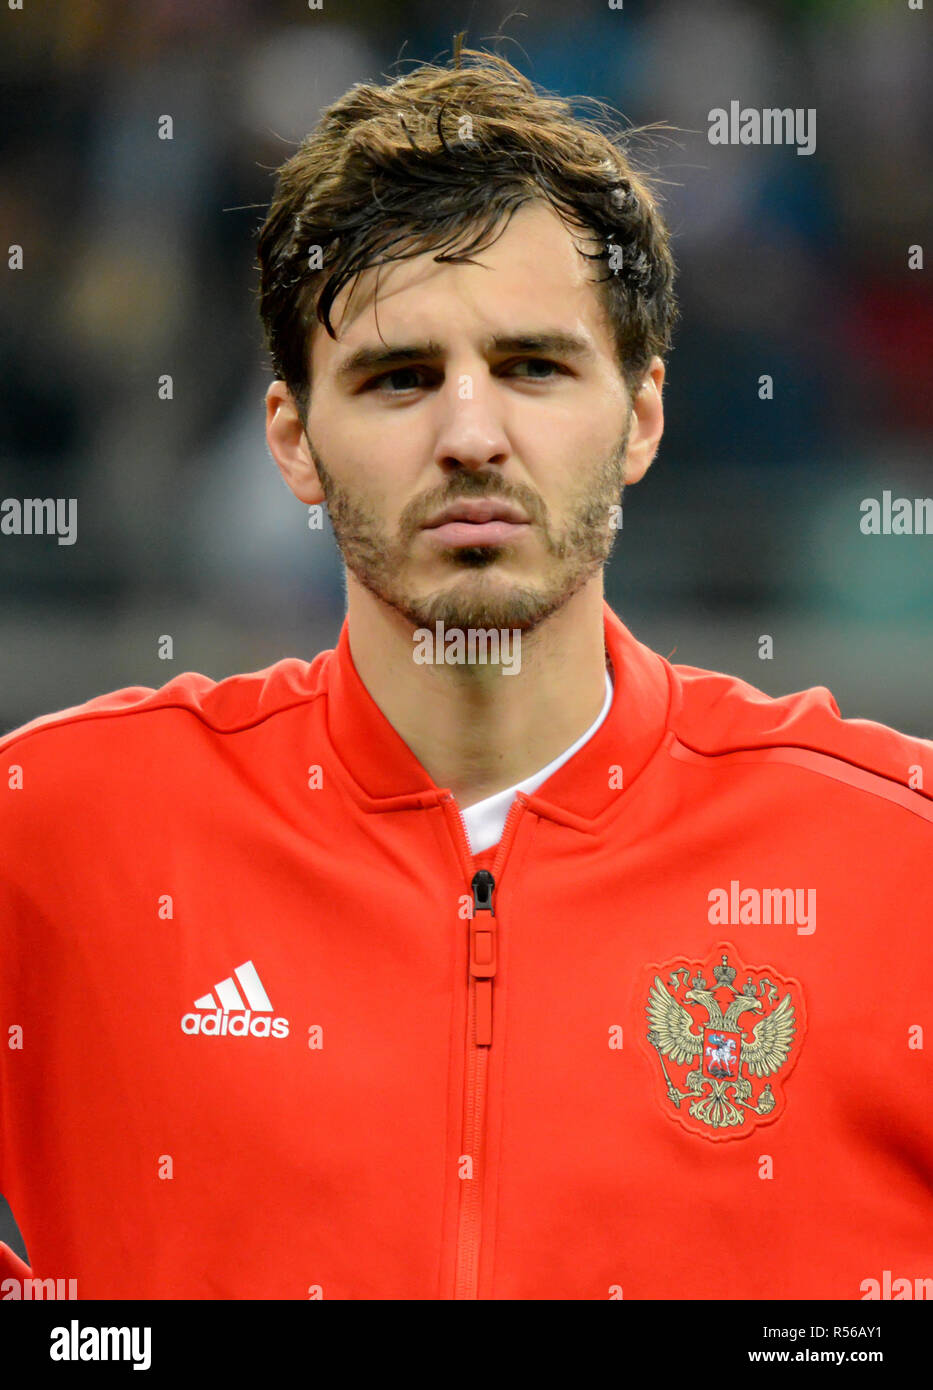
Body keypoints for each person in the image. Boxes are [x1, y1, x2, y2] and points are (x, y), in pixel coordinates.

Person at [1, 46, 930, 1302]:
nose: (472, 435)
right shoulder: (58, 828)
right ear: (294, 441)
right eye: (399, 379)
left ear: (643, 415)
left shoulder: (894, 861)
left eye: (534, 367)